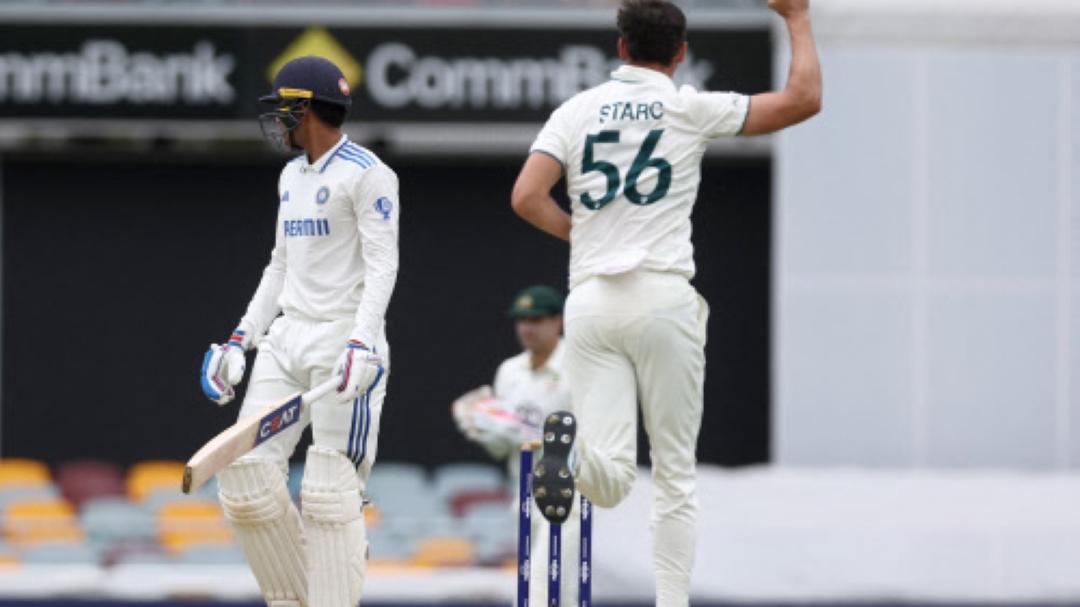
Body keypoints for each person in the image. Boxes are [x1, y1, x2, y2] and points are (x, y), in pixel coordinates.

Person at [509, 1, 821, 605]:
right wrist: (799, 21)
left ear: (621, 48)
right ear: (679, 53)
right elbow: (803, 99)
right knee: (674, 475)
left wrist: (588, 233)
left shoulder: (576, 111)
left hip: (592, 302)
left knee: (610, 477)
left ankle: (571, 454)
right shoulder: (688, 106)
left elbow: (526, 196)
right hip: (661, 297)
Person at [199, 55, 400, 607]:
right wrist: (242, 338)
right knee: (244, 481)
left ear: (306, 109)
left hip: (344, 343)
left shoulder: (368, 173)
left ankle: (334, 589)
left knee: (331, 496)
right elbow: (279, 265)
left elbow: (384, 265)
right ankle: (299, 596)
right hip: (286, 341)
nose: (278, 121)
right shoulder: (291, 175)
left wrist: (363, 340)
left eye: (284, 109)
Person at [450, 285, 576, 606]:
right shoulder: (509, 371)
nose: (527, 328)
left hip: (569, 494)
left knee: (552, 586)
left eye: (535, 319)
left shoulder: (577, 366)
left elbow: (586, 434)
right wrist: (484, 429)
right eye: (521, 319)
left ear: (556, 321)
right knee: (538, 582)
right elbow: (503, 448)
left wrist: (527, 434)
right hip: (524, 493)